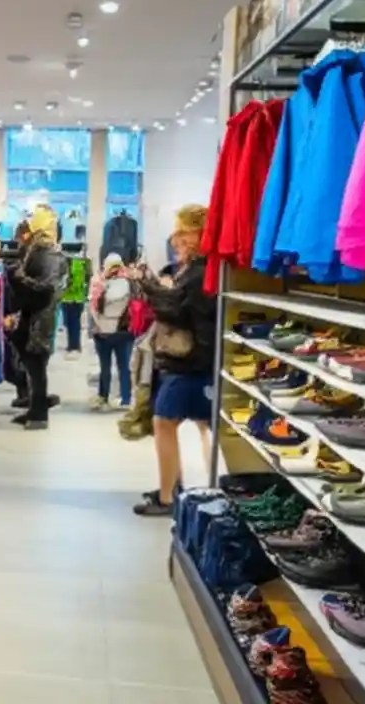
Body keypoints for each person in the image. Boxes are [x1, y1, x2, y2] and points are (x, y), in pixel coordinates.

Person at [132, 204, 216, 516]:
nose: (175, 237)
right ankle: (178, 488)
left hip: (190, 362)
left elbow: (176, 310)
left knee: (165, 421)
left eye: (183, 231)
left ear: (200, 233)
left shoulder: (198, 272)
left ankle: (170, 495)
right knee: (195, 424)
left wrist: (149, 286)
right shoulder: (198, 269)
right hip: (194, 361)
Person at [8, 205, 67, 430]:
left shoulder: (48, 255)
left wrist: (19, 278)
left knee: (37, 366)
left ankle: (39, 414)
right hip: (34, 317)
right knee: (32, 366)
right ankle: (35, 408)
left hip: (40, 320)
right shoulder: (40, 252)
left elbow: (45, 289)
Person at [89, 252, 134, 412]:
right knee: (124, 366)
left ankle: (103, 396)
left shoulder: (97, 283)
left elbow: (93, 310)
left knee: (105, 366)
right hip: (123, 331)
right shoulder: (129, 282)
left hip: (103, 333)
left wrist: (98, 326)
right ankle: (126, 398)